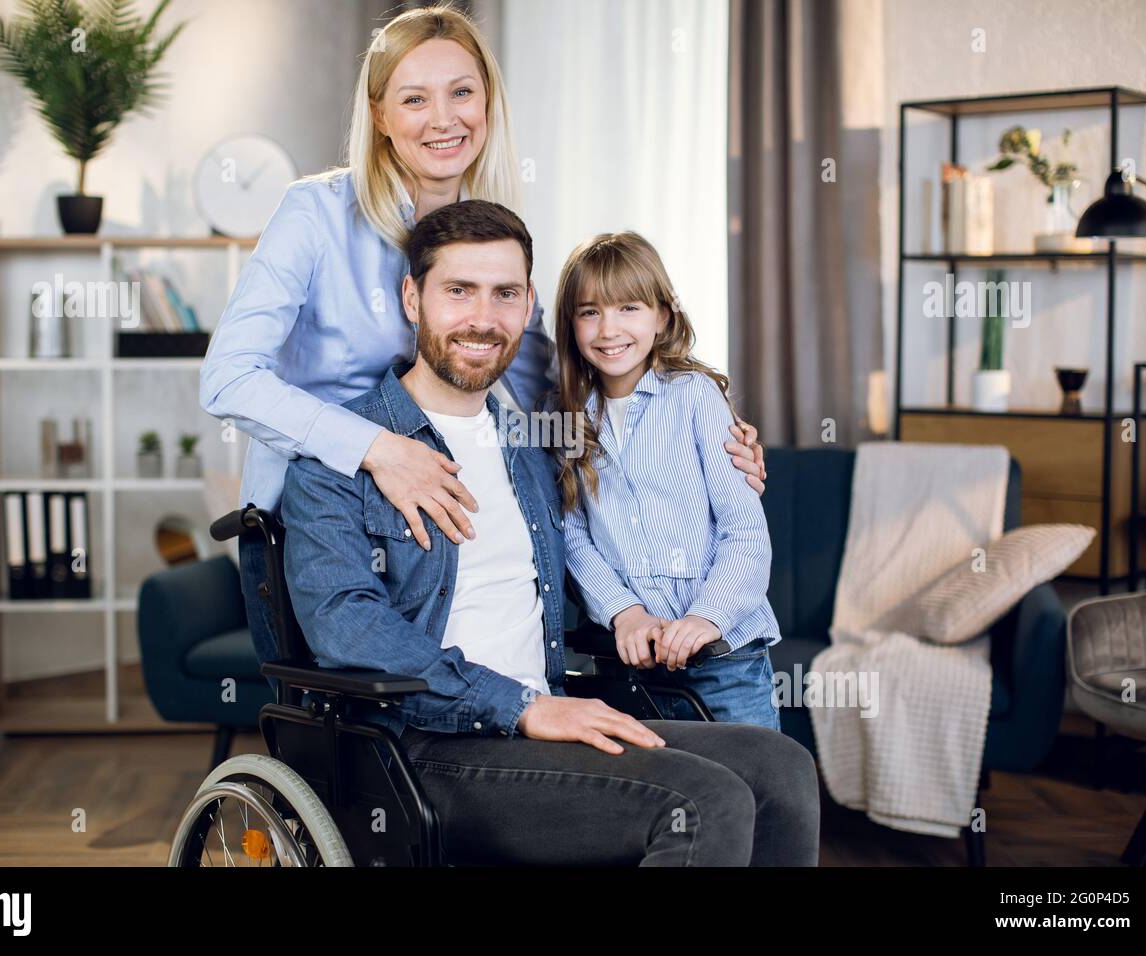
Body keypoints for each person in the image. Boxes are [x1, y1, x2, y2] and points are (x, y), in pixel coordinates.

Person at [198, 4, 765, 677]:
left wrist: (695, 430)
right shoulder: (314, 213)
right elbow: (228, 378)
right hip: (333, 515)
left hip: (460, 507)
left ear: (488, 104)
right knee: (368, 718)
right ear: (379, 114)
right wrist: (379, 449)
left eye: (462, 92)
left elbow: (544, 394)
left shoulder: (496, 237)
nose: (444, 118)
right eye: (415, 98)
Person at [280, 198, 819, 866]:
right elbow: (344, 624)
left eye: (504, 293)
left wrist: (735, 461)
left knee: (781, 767)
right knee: (704, 802)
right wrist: (518, 705)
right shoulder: (343, 456)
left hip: (551, 721)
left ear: (529, 304)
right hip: (426, 747)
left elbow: (609, 532)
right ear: (412, 298)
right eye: (458, 292)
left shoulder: (534, 443)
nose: (483, 318)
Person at [551, 232, 783, 730]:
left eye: (628, 307)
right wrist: (624, 612)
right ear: (570, 325)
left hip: (725, 660)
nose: (608, 329)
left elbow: (744, 532)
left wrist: (705, 618)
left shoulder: (694, 396)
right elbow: (573, 539)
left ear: (662, 316)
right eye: (589, 311)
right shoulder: (567, 416)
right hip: (630, 664)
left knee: (759, 795)